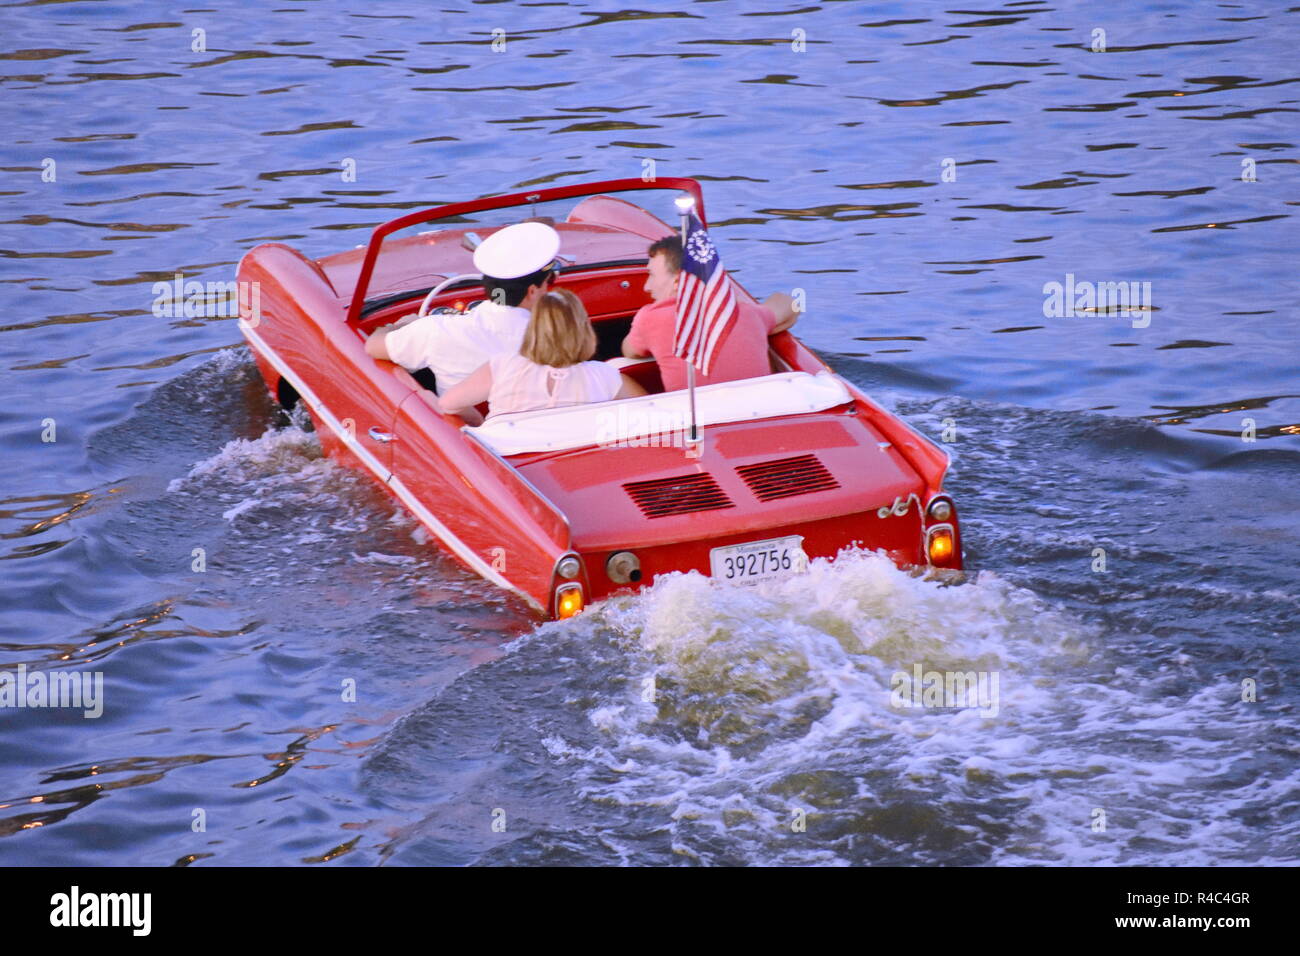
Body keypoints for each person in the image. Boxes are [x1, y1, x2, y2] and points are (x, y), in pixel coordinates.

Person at [365, 221, 561, 393]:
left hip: (470, 429)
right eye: (550, 280)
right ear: (533, 291)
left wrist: (399, 325)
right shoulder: (563, 334)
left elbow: (373, 347)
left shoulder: (436, 330)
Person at [621, 234, 798, 392]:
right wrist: (756, 328)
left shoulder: (650, 318)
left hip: (695, 423)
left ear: (677, 282)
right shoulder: (745, 312)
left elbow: (630, 351)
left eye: (651, 275)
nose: (647, 286)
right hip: (758, 415)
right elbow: (790, 303)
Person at [440, 288, 645, 420]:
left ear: (534, 328)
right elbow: (653, 414)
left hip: (510, 463)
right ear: (584, 330)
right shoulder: (607, 377)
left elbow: (448, 404)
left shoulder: (503, 366)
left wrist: (480, 424)